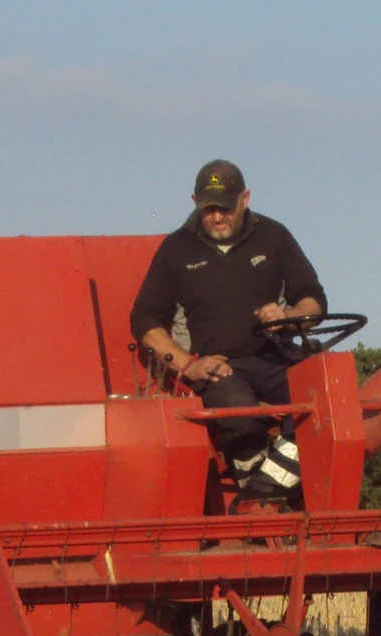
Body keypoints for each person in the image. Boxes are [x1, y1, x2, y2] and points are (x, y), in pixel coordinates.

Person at [130, 160, 326, 501]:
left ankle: (264, 490)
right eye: (209, 209)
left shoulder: (275, 237)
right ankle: (269, 491)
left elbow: (314, 302)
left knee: (324, 399)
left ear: (245, 199)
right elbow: (144, 321)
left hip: (275, 360)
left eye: (225, 207)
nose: (217, 217)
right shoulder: (176, 251)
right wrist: (189, 365)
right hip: (217, 370)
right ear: (194, 202)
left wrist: (288, 315)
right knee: (238, 409)